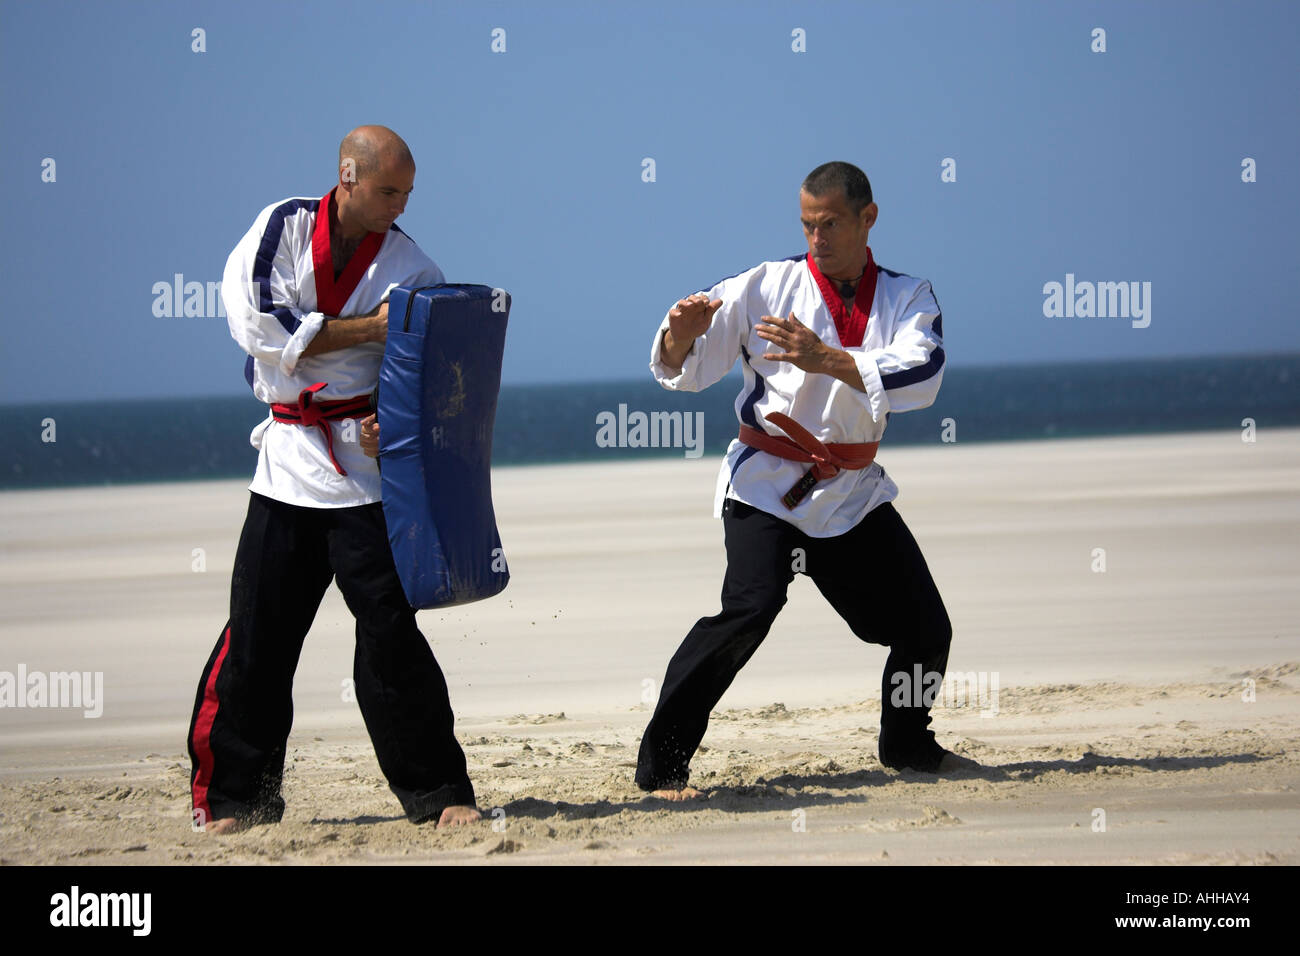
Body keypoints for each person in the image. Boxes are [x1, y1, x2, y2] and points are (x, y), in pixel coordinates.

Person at [636, 161, 977, 800]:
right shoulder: (763, 285)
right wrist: (679, 338)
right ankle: (663, 767)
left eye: (831, 224)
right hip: (766, 485)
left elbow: (924, 375)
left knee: (926, 628)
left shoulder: (908, 297)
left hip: (849, 493)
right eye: (807, 224)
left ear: (868, 218)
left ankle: (908, 745)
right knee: (750, 609)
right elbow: (687, 367)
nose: (817, 238)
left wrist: (828, 359)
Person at [187, 126, 481, 832]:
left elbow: (427, 372)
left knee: (390, 633)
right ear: (347, 176)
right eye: (387, 191)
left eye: (407, 194)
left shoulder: (414, 269)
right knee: (259, 635)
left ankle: (438, 792)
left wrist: (391, 423)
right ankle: (234, 799)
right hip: (287, 463)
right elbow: (259, 326)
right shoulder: (282, 229)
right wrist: (368, 329)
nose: (399, 207)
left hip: (364, 472)